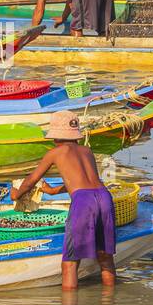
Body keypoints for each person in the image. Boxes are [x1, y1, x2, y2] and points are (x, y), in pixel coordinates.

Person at [11, 110, 115, 291]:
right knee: (105, 257)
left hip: (83, 203)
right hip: (104, 196)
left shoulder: (55, 153)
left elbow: (30, 181)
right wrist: (52, 191)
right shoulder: (86, 150)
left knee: (70, 264)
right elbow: (85, 181)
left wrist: (16, 194)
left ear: (55, 137)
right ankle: (110, 304)